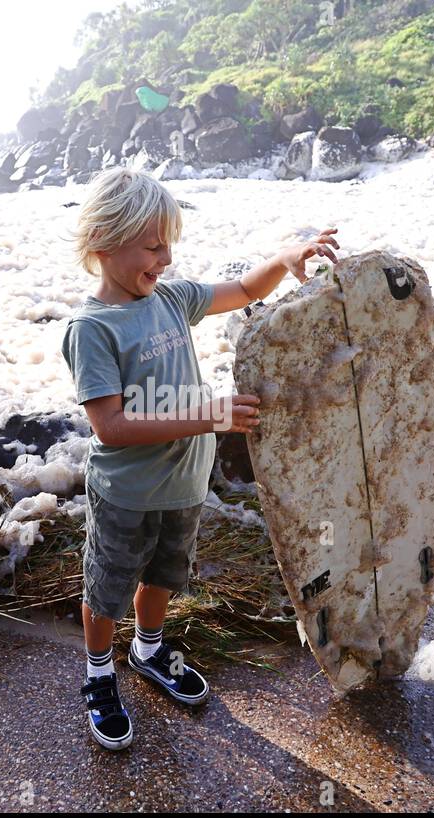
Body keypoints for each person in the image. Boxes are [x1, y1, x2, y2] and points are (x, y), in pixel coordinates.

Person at [61, 166, 340, 750]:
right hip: (126, 493)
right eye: (153, 245)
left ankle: (149, 648)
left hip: (183, 485)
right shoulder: (92, 329)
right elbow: (109, 427)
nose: (164, 258)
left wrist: (284, 259)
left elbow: (240, 292)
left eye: (169, 245)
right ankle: (98, 673)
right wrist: (209, 416)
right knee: (108, 587)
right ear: (105, 245)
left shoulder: (167, 298)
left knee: (165, 574)